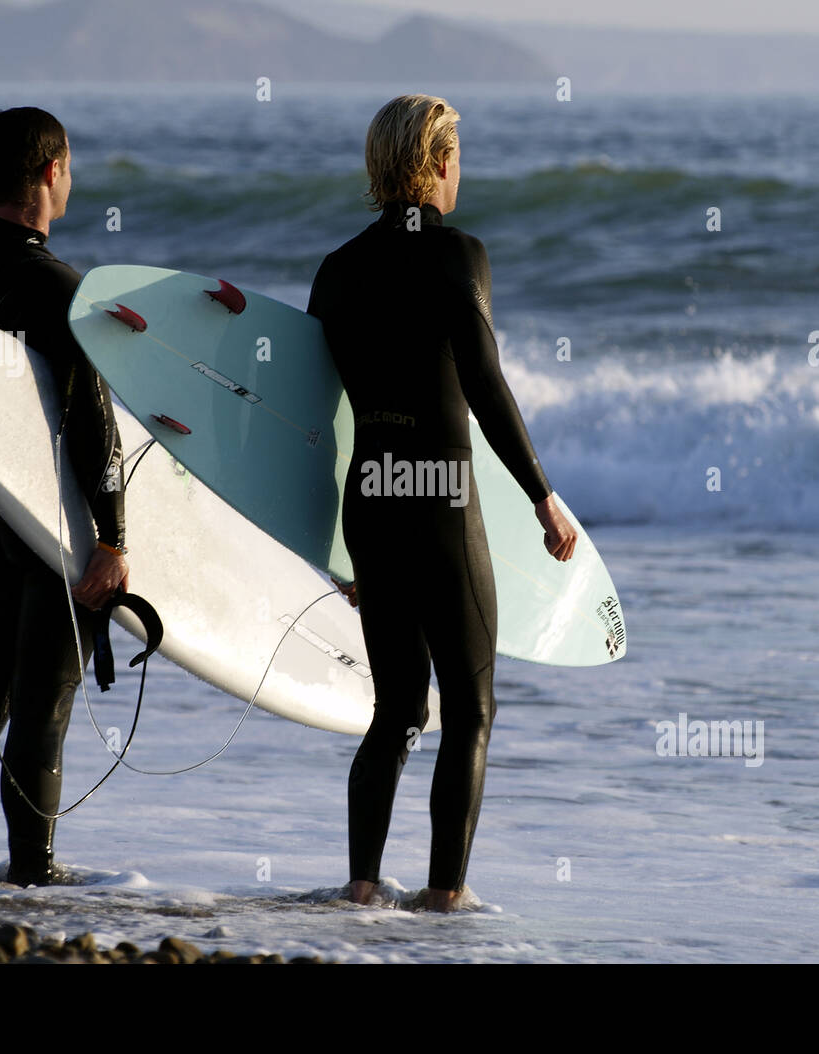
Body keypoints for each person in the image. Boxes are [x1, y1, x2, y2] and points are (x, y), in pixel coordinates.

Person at [308, 95, 577, 912]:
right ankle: (444, 896)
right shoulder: (460, 255)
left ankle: (361, 886)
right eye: (457, 156)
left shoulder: (338, 268)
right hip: (439, 496)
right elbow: (486, 386)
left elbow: (314, 420)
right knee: (470, 706)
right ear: (435, 161)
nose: (462, 171)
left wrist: (332, 548)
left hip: (371, 503)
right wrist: (543, 496)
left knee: (395, 710)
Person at [0, 107, 129, 887]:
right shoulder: (57, 288)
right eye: (68, 167)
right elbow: (95, 426)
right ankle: (33, 882)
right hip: (51, 530)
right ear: (49, 172)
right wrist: (113, 539)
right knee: (41, 712)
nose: (72, 180)